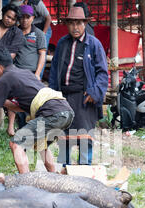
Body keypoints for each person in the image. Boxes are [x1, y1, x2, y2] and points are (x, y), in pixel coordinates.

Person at [0, 48, 74, 174]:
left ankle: (25, 182)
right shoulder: (25, 73)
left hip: (52, 113)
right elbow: (21, 107)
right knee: (42, 146)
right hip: (65, 111)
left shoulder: (3, 80)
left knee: (16, 143)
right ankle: (53, 178)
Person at [48, 6, 108, 167]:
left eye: (79, 23)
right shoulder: (62, 43)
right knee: (63, 138)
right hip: (64, 98)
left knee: (84, 139)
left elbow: (103, 72)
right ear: (67, 24)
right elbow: (54, 70)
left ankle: (84, 173)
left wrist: (94, 93)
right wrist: (53, 95)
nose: (75, 27)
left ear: (85, 24)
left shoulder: (94, 44)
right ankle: (64, 173)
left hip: (84, 98)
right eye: (72, 23)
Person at [8, 4, 47, 136]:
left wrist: (37, 73)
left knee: (32, 102)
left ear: (33, 18)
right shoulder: (14, 32)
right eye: (22, 17)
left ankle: (31, 129)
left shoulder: (39, 34)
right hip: (16, 72)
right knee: (13, 99)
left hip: (31, 73)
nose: (24, 20)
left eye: (27, 17)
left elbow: (42, 54)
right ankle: (11, 128)